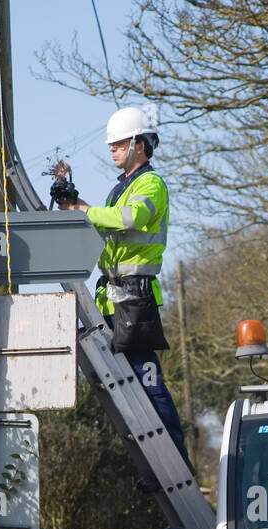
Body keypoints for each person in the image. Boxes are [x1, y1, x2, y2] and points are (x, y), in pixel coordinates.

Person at [59, 106, 191, 470]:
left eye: (119, 144)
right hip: (115, 295)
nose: (112, 150)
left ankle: (175, 462)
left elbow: (130, 219)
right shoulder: (123, 188)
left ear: (139, 145)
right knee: (126, 384)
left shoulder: (150, 184)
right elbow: (107, 226)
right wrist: (72, 206)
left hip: (135, 296)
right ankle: (154, 464)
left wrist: (85, 209)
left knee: (147, 379)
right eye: (112, 145)